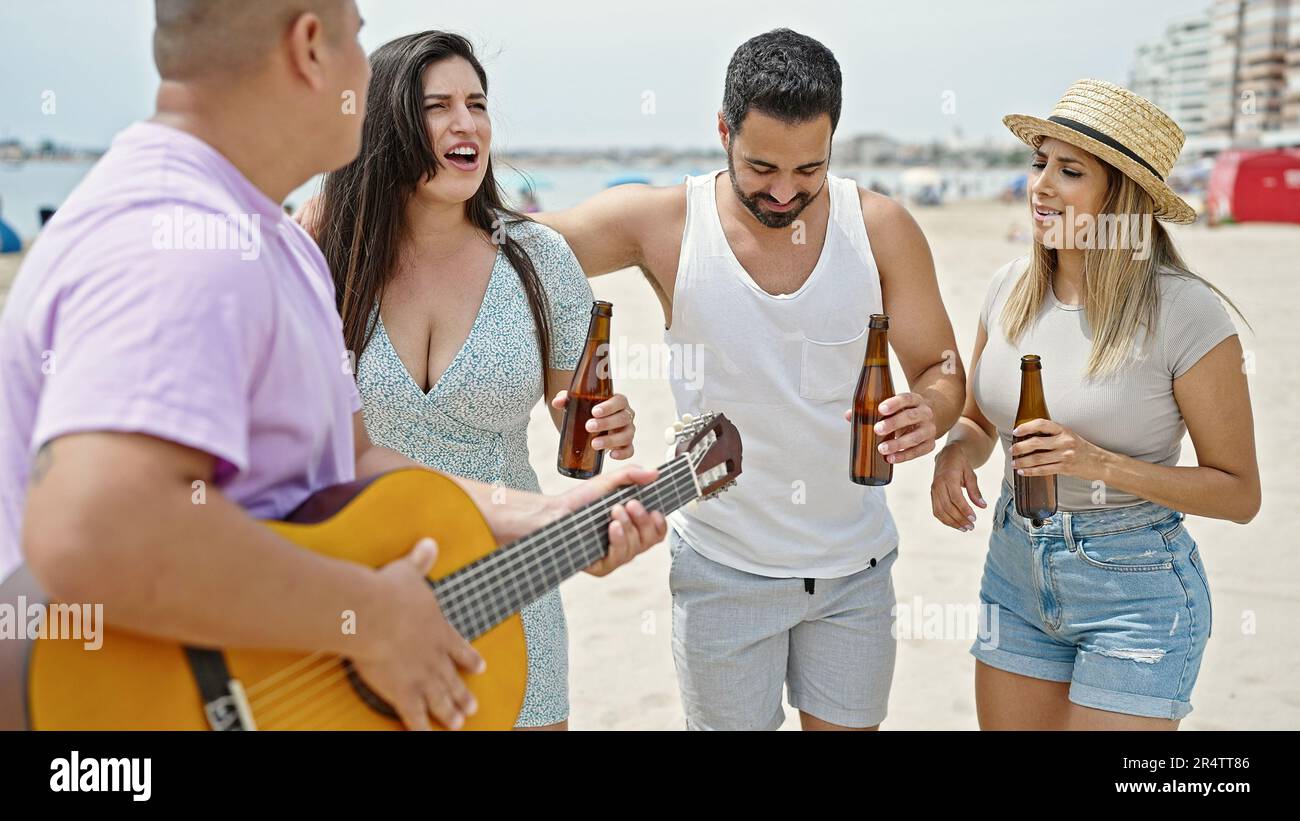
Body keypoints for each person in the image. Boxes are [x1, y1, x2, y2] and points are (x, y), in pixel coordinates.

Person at [0, 0, 666, 732]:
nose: (366, 66)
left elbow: (348, 462)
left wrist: (542, 513)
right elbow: (94, 528)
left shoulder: (274, 244)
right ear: (311, 47)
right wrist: (370, 617)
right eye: (358, 36)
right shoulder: (188, 242)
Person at [539, 28, 966, 730]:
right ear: (722, 130)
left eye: (809, 171)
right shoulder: (664, 223)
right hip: (720, 570)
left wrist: (931, 406)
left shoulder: (882, 228)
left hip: (854, 573)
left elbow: (942, 368)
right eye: (762, 167)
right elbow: (509, 244)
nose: (784, 192)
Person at [300, 31, 641, 731]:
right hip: (366, 593)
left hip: (511, 584)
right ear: (388, 124)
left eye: (477, 103)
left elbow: (576, 430)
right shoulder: (327, 251)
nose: (468, 124)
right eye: (438, 106)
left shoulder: (538, 258)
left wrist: (606, 424)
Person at [930, 79, 1259, 729]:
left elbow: (1239, 494)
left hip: (1134, 590)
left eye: (1070, 170)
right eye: (1039, 162)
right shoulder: (1009, 288)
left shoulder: (1184, 312)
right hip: (1015, 575)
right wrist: (953, 454)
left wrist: (1097, 463)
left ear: (1121, 197)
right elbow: (976, 418)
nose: (1041, 185)